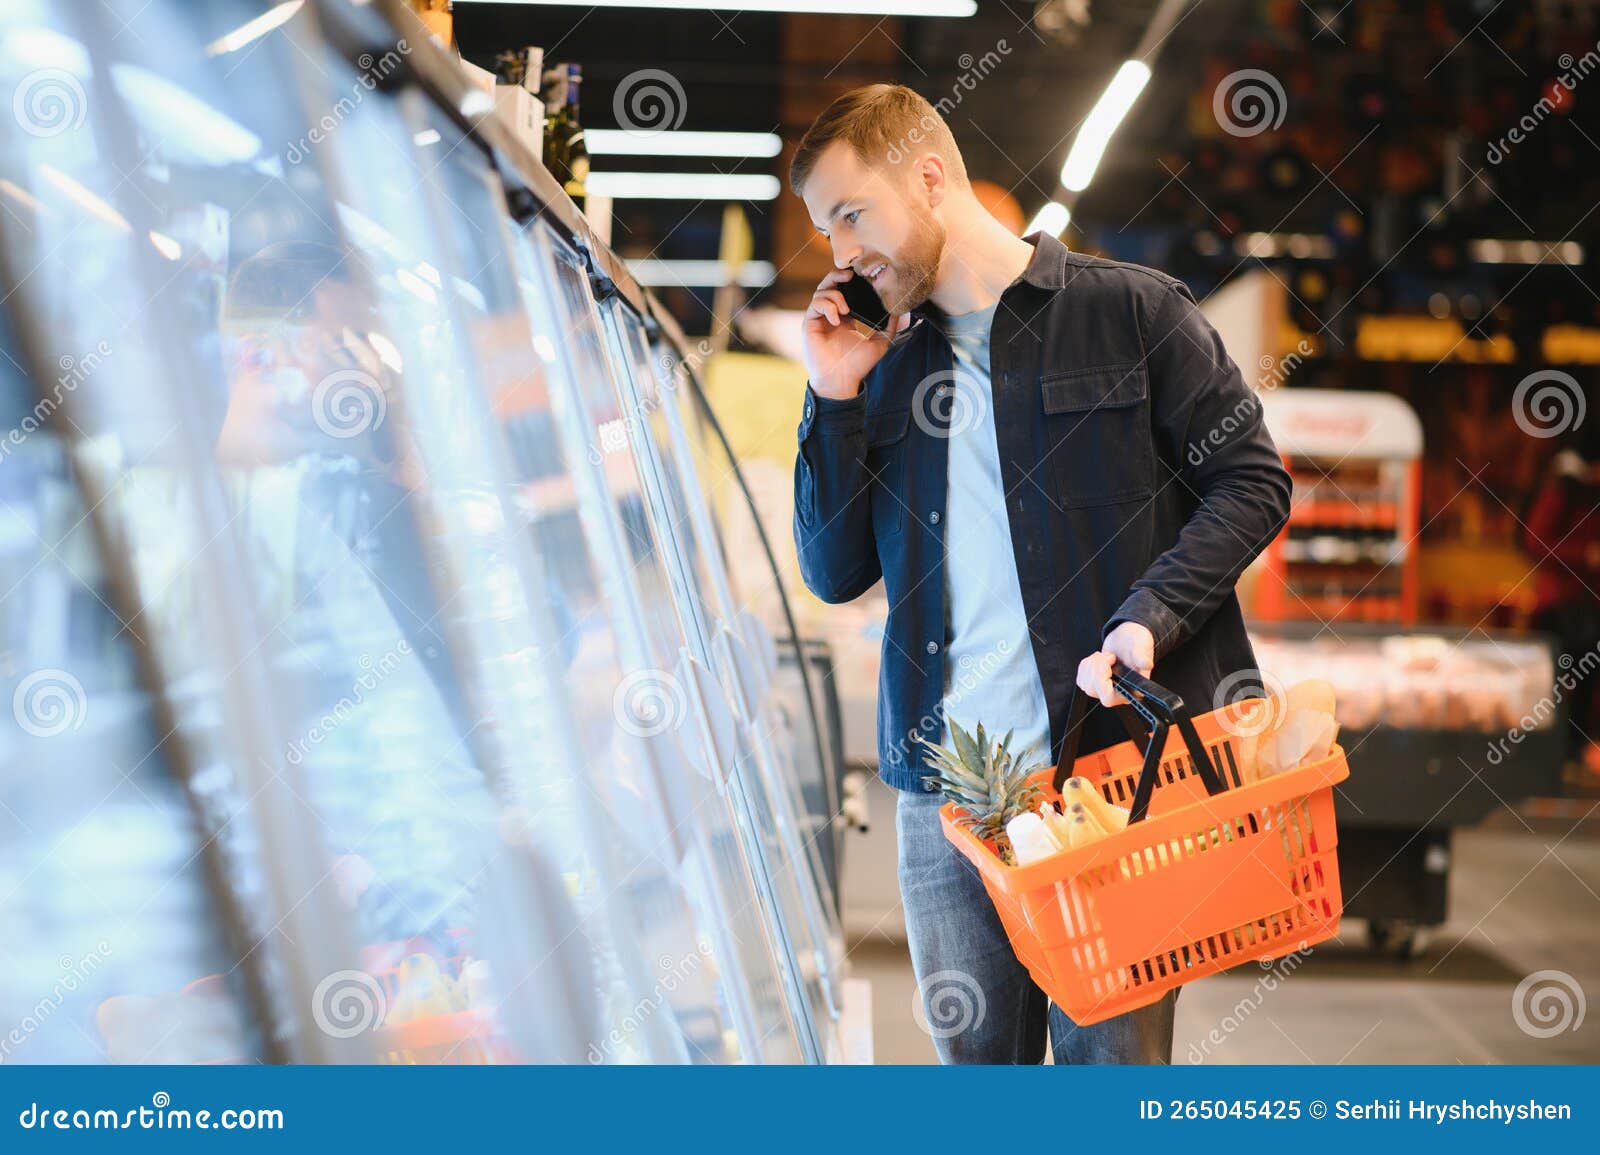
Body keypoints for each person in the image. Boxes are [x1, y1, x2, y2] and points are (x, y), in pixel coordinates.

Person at [788, 85, 1292, 1064]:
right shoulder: (881, 365)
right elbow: (832, 570)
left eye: (851, 214)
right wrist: (832, 393)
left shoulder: (1131, 314)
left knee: (1112, 1081)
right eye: (824, 230)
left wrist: (1151, 616)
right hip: (951, 805)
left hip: (1111, 787)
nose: (840, 253)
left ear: (928, 178)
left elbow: (1250, 481)